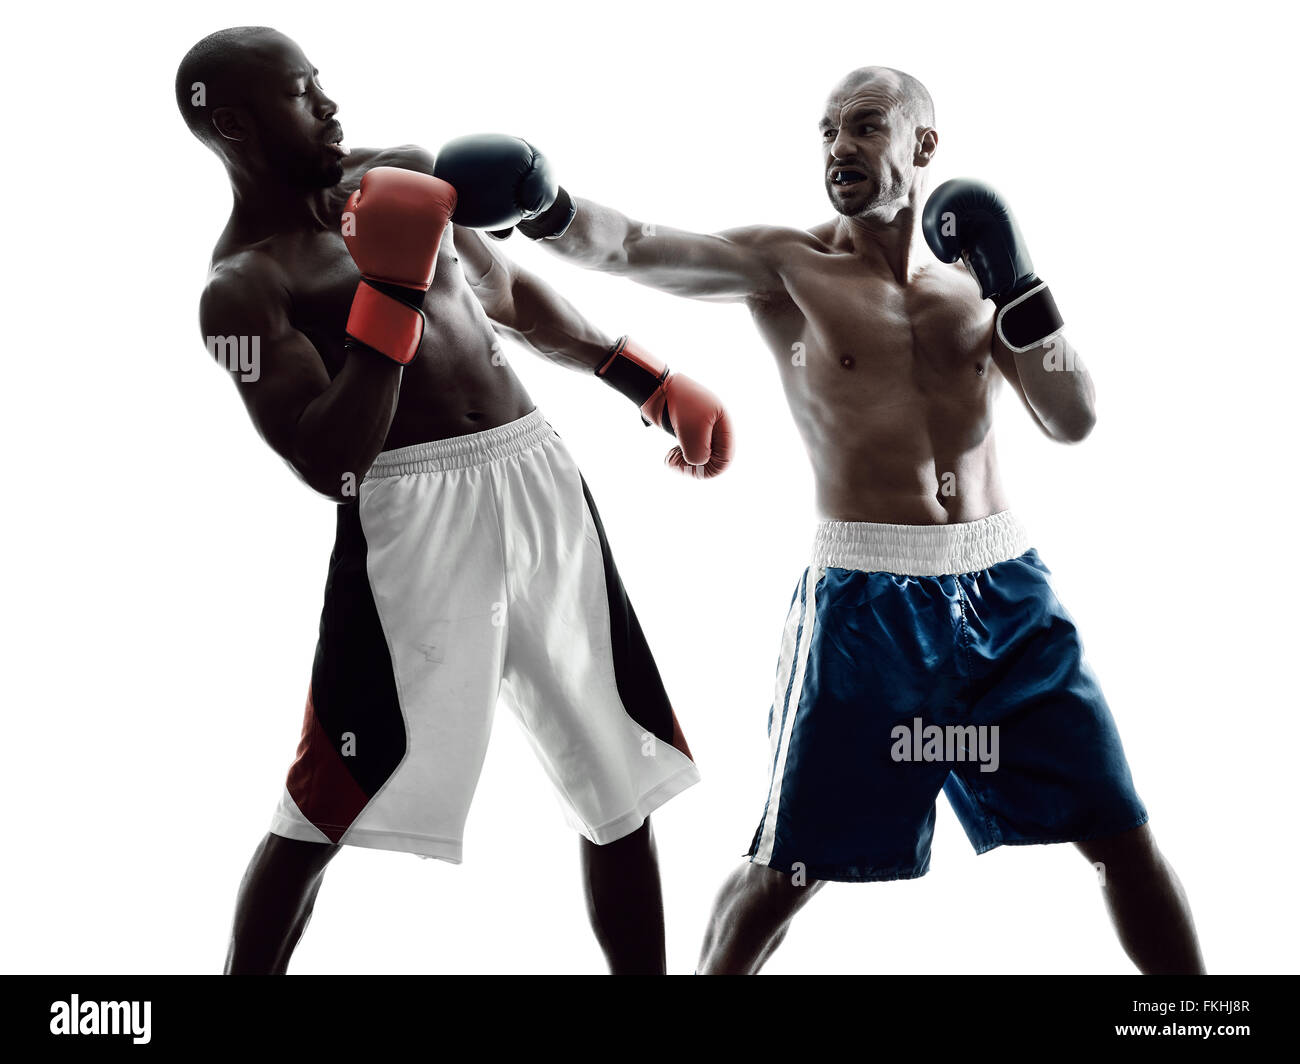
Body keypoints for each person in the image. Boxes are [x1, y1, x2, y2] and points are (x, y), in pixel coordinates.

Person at [477, 65, 1205, 974]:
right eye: (826, 131)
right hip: (867, 598)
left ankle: (1199, 1018)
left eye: (865, 126)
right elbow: (633, 248)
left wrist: (1020, 285)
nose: (839, 147)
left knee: (1115, 829)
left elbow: (1075, 419)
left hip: (1007, 591)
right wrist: (547, 210)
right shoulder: (789, 266)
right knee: (790, 867)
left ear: (922, 147)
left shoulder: (976, 282)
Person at [175, 25, 732, 975]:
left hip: (537, 475)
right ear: (232, 124)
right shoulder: (245, 286)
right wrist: (387, 290)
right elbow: (330, 460)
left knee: (614, 767)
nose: (332, 106)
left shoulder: (395, 177)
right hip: (407, 516)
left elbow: (510, 294)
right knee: (332, 790)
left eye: (324, 86)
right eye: (304, 94)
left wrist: (641, 377)